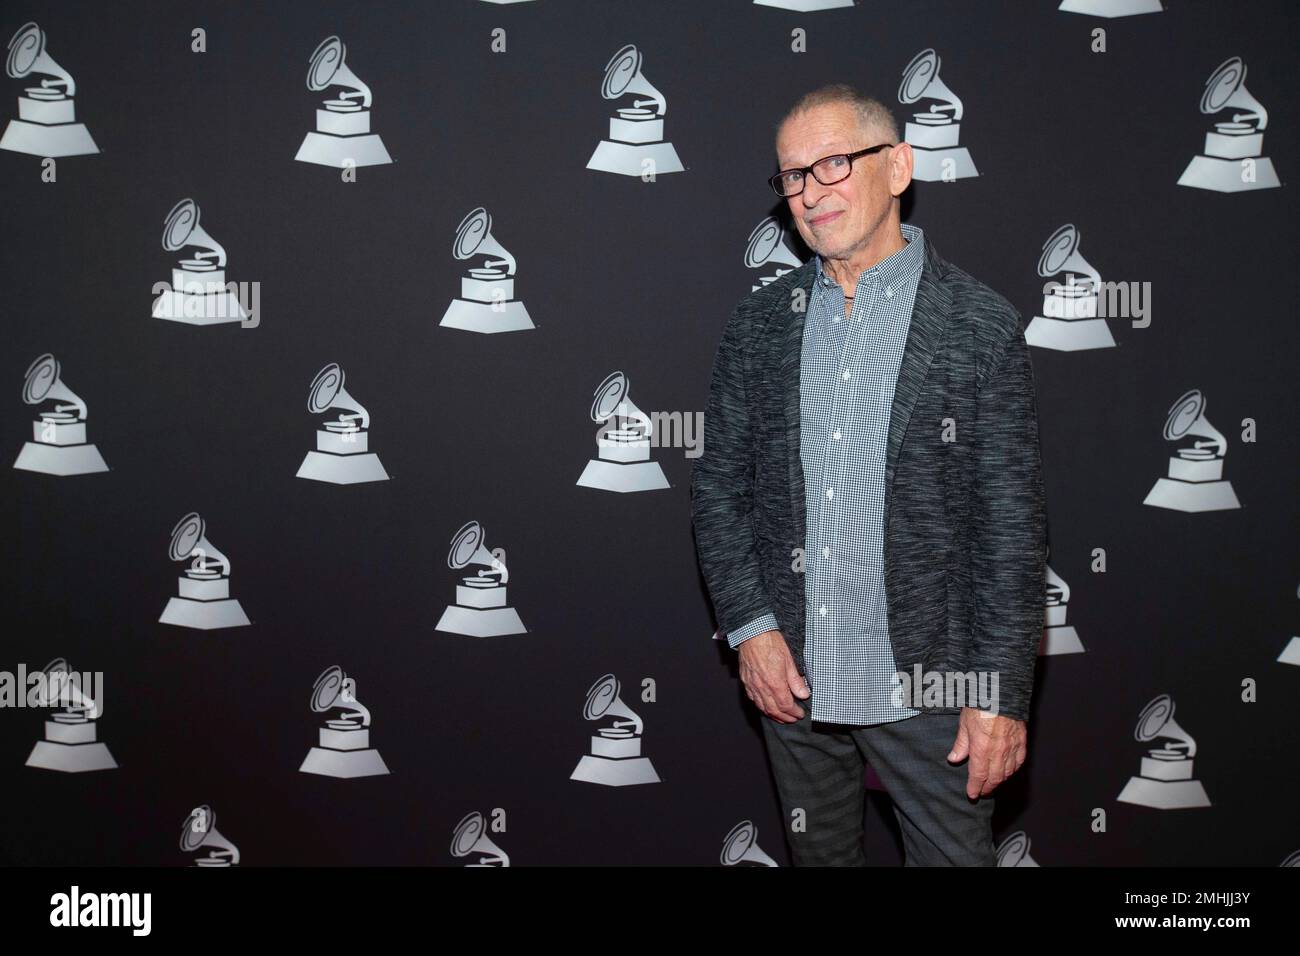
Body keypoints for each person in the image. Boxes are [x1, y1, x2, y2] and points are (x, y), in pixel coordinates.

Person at [690, 84, 1047, 866]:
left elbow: (1010, 534)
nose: (811, 194)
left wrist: (996, 695)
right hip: (797, 679)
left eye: (833, 164)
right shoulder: (760, 324)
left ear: (898, 168)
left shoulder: (978, 324)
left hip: (930, 685)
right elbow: (720, 491)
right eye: (793, 177)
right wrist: (752, 630)